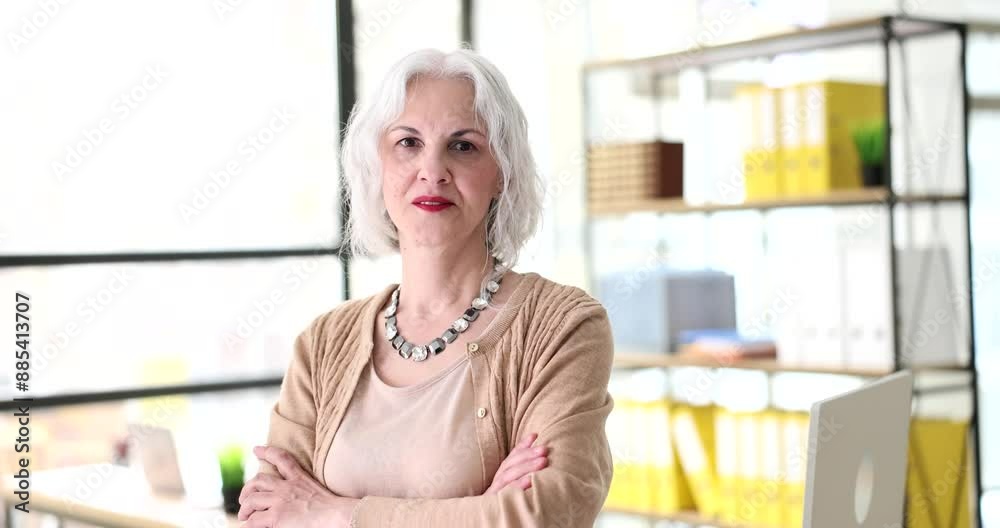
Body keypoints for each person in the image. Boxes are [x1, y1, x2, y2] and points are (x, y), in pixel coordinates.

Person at [237, 47, 615, 528]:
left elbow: (541, 514)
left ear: (501, 172)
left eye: (463, 146)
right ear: (378, 169)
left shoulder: (562, 325)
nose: (432, 170)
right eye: (408, 142)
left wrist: (333, 512)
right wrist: (481, 510)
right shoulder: (323, 343)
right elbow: (266, 516)